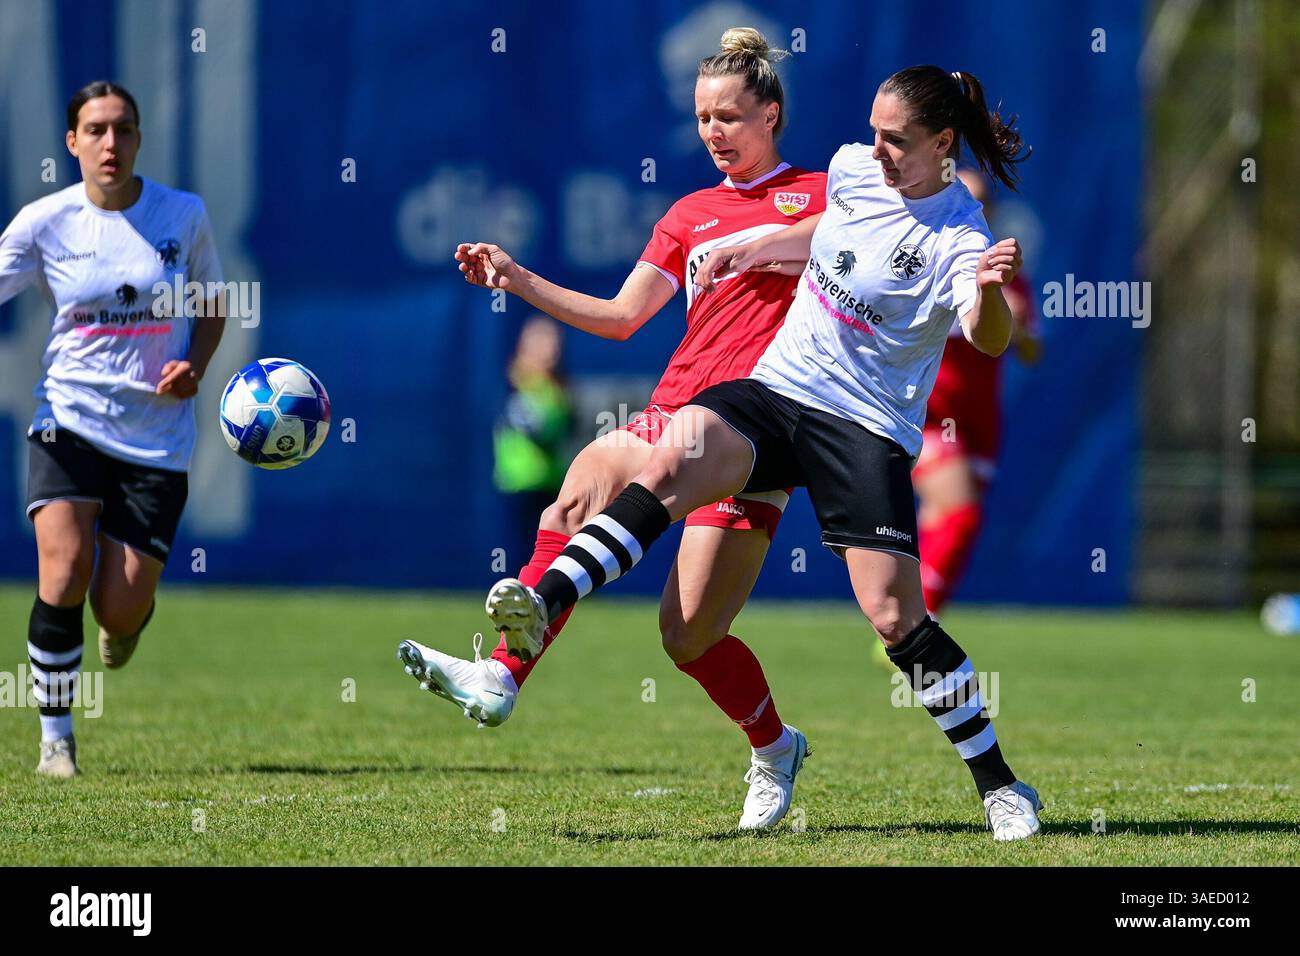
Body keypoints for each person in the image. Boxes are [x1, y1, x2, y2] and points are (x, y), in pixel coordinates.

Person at [480, 65, 1044, 841]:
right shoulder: (854, 168)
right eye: (873, 131)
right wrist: (755, 245)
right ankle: (543, 603)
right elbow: (829, 231)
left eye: (896, 139)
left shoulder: (959, 233)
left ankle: (1001, 785)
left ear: (942, 143)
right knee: (672, 459)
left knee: (893, 615)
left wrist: (985, 288)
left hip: (863, 426)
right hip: (778, 390)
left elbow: (988, 336)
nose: (876, 149)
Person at [399, 28, 825, 829]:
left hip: (757, 435)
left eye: (729, 116)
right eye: (702, 117)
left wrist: (770, 242)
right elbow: (624, 317)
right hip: (676, 412)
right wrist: (517, 278)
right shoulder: (688, 214)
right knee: (573, 495)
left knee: (688, 637)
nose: (713, 132)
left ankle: (775, 749)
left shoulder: (823, 194)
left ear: (771, 114)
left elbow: (868, 243)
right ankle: (502, 675)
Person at [0, 81, 224, 778]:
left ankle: (127, 621)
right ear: (72, 142)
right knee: (64, 568)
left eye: (123, 129)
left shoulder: (182, 214)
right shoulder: (44, 221)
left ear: (138, 139)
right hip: (67, 417)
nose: (110, 143)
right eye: (95, 130)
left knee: (119, 608)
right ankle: (56, 741)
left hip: (157, 435)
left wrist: (195, 364)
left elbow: (213, 303)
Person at [911, 167, 1040, 614]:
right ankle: (917, 626)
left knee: (940, 520)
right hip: (928, 415)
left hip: (979, 422)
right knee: (961, 513)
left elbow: (1032, 350)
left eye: (983, 201)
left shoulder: (1005, 276)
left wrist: (1017, 327)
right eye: (965, 197)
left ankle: (905, 619)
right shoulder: (923, 261)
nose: (974, 208)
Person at [492, 314, 575, 570]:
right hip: (522, 482)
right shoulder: (516, 380)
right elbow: (535, 429)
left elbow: (566, 428)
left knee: (552, 552)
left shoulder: (557, 385)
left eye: (554, 341)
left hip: (552, 481)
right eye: (542, 341)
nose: (551, 348)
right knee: (522, 551)